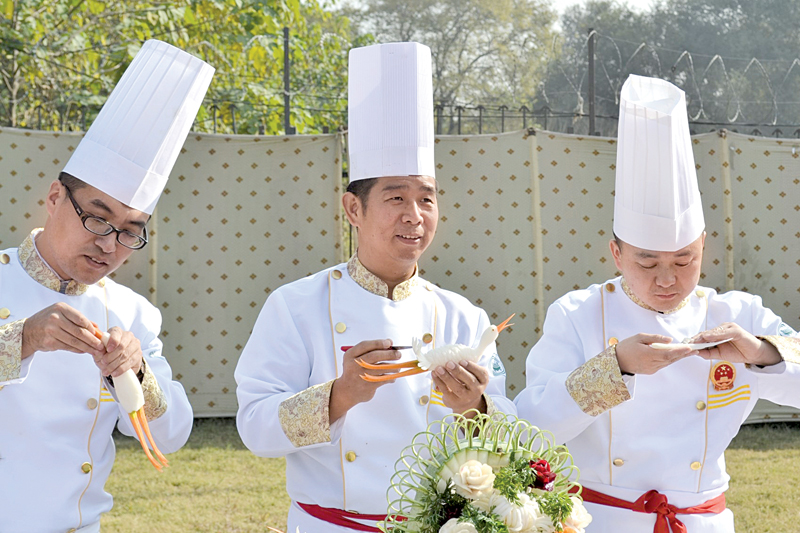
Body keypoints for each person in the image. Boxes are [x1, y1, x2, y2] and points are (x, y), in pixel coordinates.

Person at [235, 42, 516, 533]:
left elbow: (509, 427)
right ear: (353, 209)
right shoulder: (295, 306)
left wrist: (476, 406)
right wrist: (340, 394)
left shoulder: (463, 316)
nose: (414, 215)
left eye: (426, 198)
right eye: (395, 197)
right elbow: (255, 427)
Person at [514, 74, 800, 533]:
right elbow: (532, 427)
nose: (668, 279)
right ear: (617, 254)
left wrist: (762, 353)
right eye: (647, 262)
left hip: (702, 522)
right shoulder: (578, 314)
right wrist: (616, 368)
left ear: (704, 247)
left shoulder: (738, 314)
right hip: (603, 522)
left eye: (685, 260)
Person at [0, 40, 214, 532]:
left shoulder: (133, 313)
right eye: (97, 219)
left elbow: (173, 435)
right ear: (55, 198)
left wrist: (136, 371)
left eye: (130, 231)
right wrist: (24, 339)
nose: (110, 245)